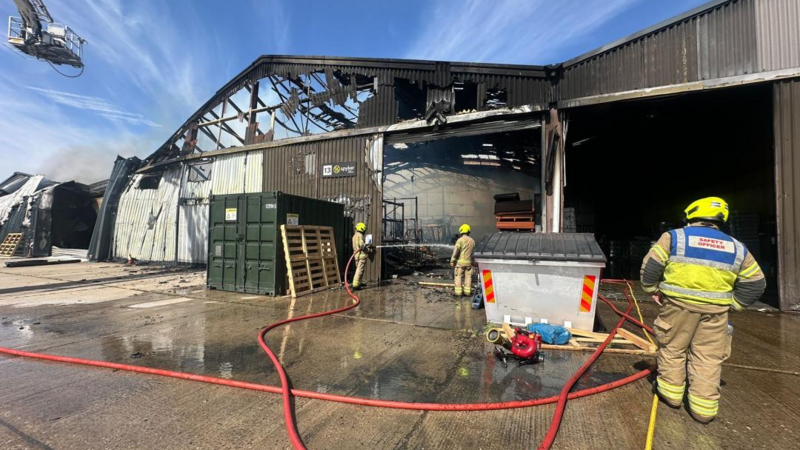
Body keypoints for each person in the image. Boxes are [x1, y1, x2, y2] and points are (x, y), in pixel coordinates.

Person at [640, 197, 766, 423]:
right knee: (708, 357)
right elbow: (756, 283)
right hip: (716, 313)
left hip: (677, 308)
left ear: (692, 214)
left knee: (672, 348)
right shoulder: (737, 248)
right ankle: (703, 409)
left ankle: (671, 395)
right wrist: (733, 305)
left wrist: (652, 289)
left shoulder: (674, 237)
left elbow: (651, 267)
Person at [450, 224, 475, 297]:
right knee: (468, 278)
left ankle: (458, 293)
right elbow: (473, 253)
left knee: (458, 277)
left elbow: (456, 251)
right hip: (469, 264)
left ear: (461, 231)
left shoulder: (460, 240)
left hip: (460, 264)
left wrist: (452, 261)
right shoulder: (472, 241)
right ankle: (467, 292)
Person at [351, 222, 370, 289]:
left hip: (356, 256)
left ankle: (359, 282)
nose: (365, 231)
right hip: (361, 255)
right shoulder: (360, 235)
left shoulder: (354, 236)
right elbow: (362, 246)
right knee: (359, 270)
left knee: (360, 269)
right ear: (362, 229)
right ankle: (355, 285)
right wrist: (368, 249)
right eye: (364, 230)